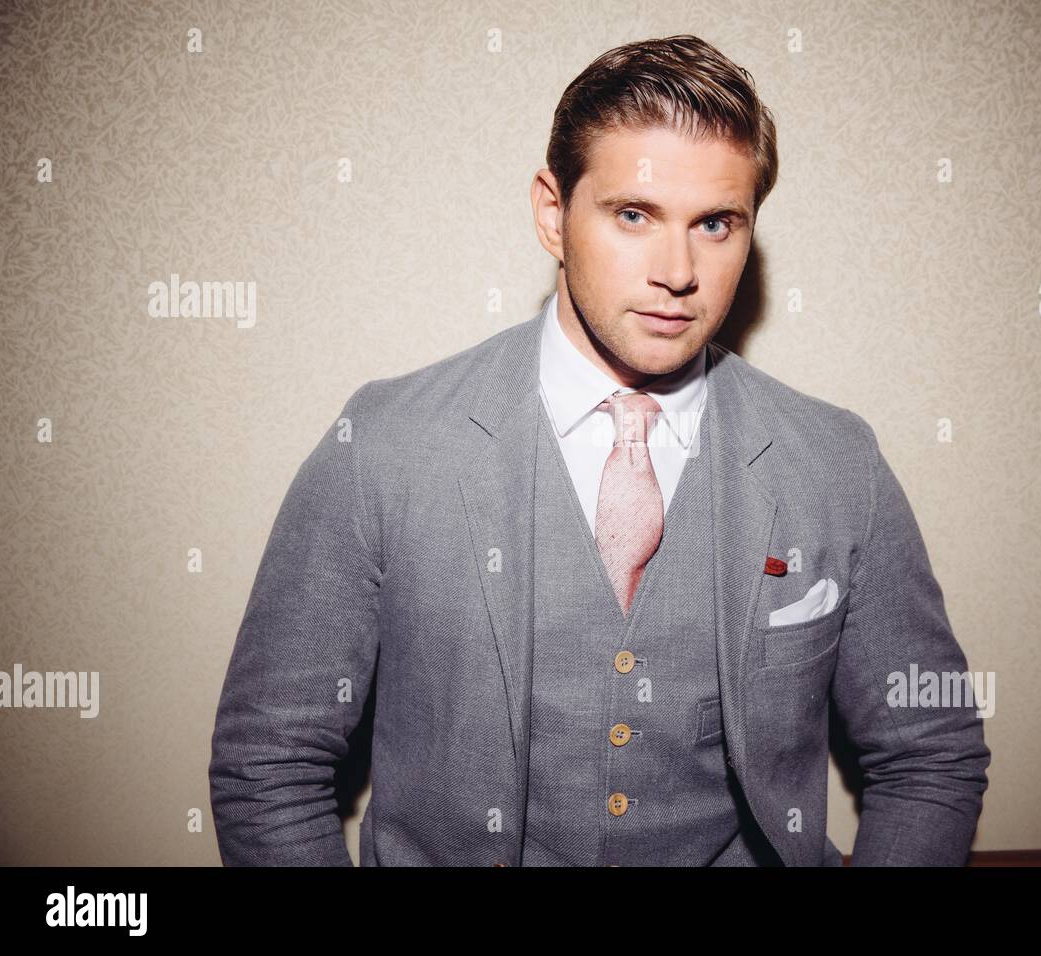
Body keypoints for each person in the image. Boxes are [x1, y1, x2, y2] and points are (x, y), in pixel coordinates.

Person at [208, 34, 989, 867]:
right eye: (633, 215)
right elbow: (270, 762)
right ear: (553, 212)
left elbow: (930, 753)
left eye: (716, 224)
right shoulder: (385, 445)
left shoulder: (837, 463)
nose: (678, 271)